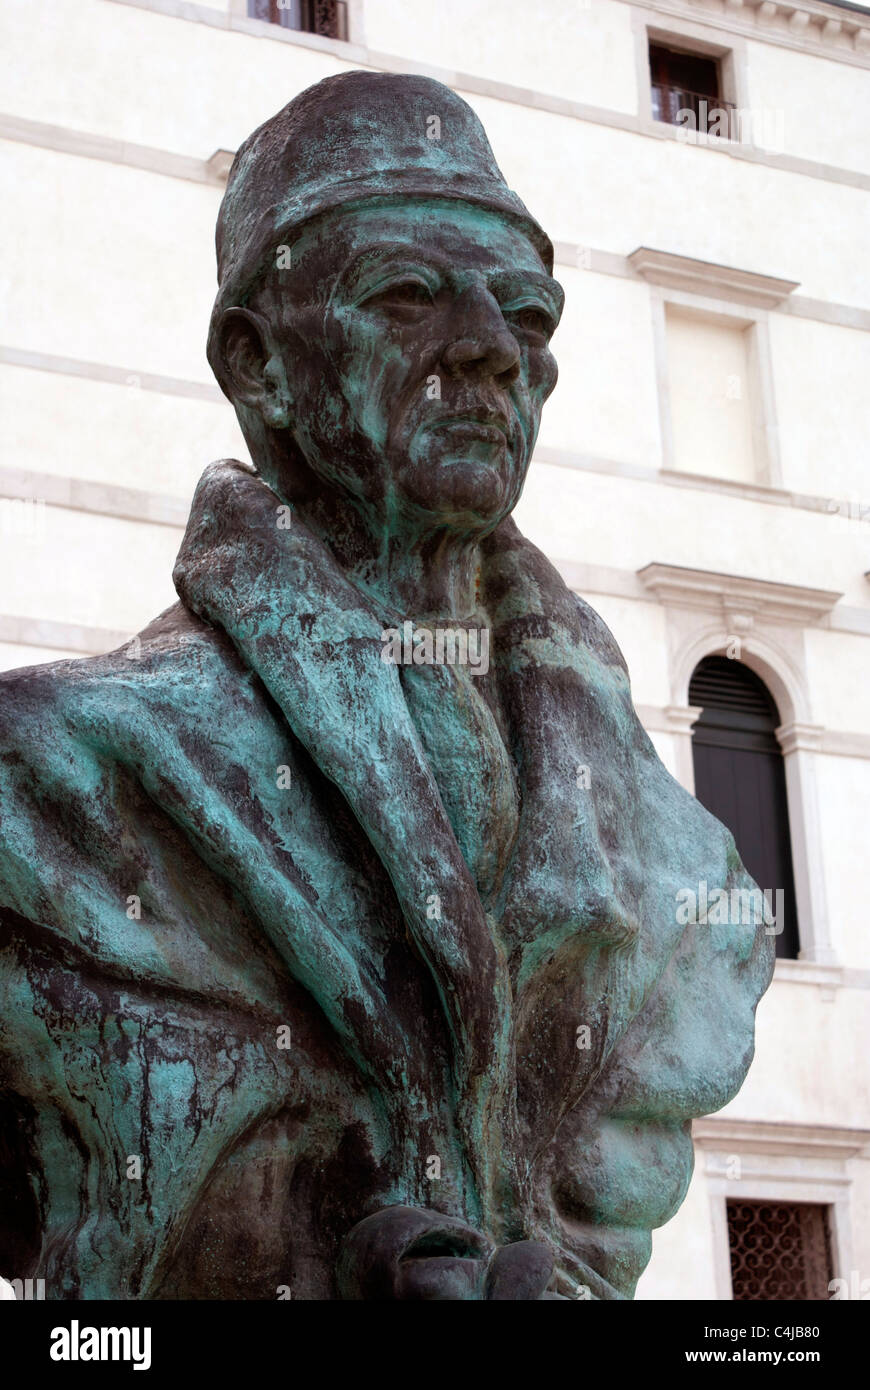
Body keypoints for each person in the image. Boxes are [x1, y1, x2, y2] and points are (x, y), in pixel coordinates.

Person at [0, 71, 773, 1300]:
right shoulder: (56, 788)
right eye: (407, 293)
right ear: (258, 366)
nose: (488, 349)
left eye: (527, 315)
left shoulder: (688, 880)